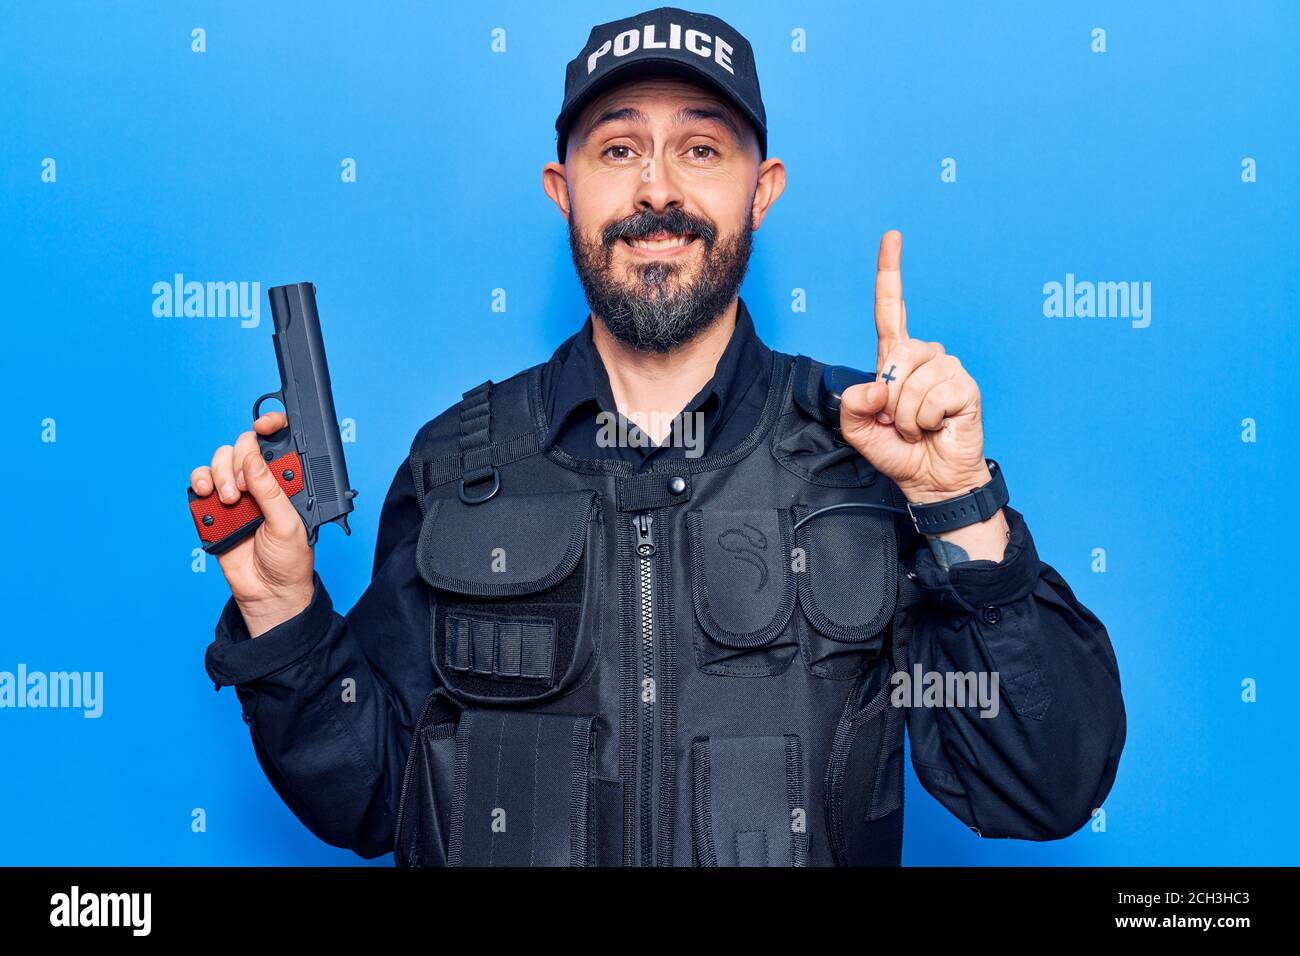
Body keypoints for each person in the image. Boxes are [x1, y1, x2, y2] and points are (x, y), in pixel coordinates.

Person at [192, 7, 1125, 866]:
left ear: (763, 191)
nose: (657, 188)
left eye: (702, 149)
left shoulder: (875, 453)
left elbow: (1046, 784)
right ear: (565, 189)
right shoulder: (454, 464)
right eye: (619, 148)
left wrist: (959, 507)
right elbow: (375, 797)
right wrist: (284, 616)